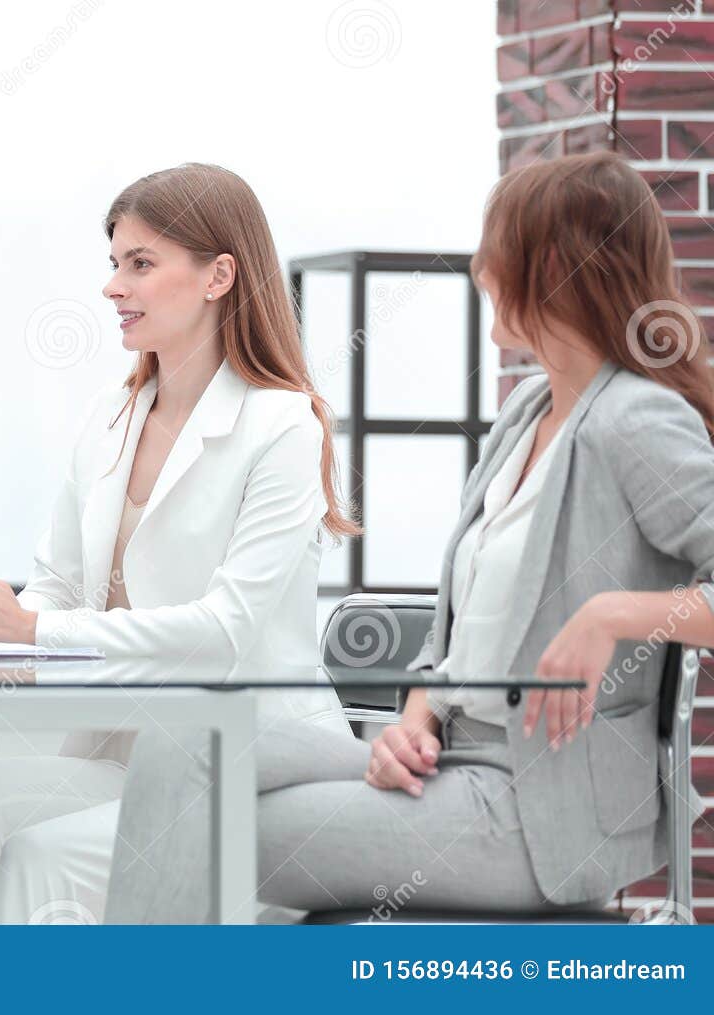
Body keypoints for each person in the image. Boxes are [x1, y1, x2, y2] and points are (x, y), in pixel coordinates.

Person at [106, 151, 714, 922]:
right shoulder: (529, 412)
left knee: (216, 830)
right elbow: (458, 629)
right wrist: (414, 718)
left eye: (499, 245)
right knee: (185, 741)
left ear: (552, 264)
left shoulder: (639, 420)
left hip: (533, 809)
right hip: (448, 754)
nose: (482, 266)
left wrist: (613, 615)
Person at [0, 164, 361, 923]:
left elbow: (221, 634)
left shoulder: (281, 425)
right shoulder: (109, 419)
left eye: (140, 264)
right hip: (130, 756)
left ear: (219, 276)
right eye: (114, 264)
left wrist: (34, 627)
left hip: (249, 767)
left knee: (40, 856)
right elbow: (56, 591)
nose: (114, 287)